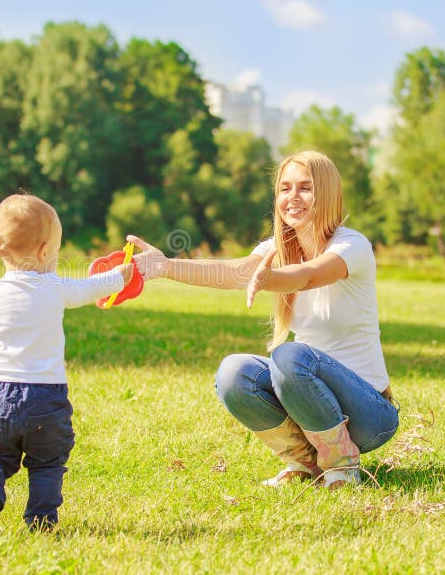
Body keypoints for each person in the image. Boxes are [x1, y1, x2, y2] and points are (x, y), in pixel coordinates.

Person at [127, 150, 398, 489]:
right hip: (312, 404)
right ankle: (303, 461)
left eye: (305, 188)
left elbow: (309, 275)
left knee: (289, 356)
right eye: (285, 189)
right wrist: (166, 267)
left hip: (369, 414)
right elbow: (231, 271)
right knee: (233, 373)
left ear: (326, 193)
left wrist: (268, 278)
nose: (292, 197)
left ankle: (342, 464)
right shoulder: (278, 246)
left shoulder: (352, 246)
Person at [0, 194, 133, 533]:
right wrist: (121, 276)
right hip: (47, 401)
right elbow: (88, 288)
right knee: (47, 463)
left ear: (1, 250)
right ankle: (41, 520)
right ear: (43, 252)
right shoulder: (54, 287)